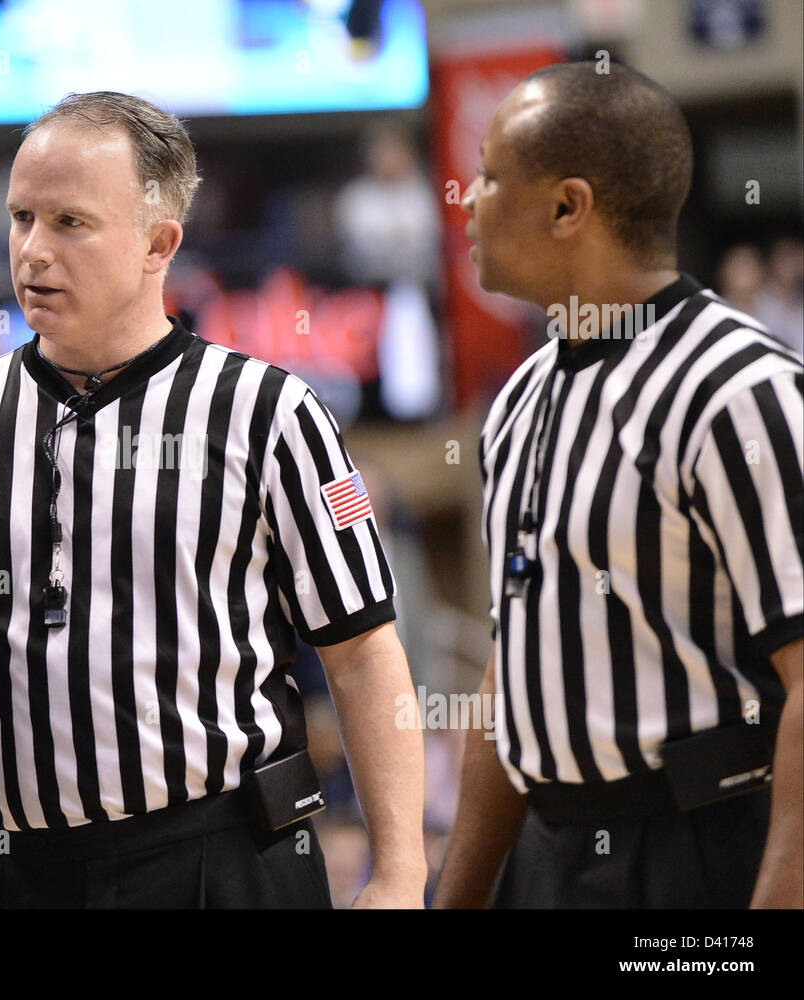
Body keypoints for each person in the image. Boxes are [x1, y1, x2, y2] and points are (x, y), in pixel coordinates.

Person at [0, 91, 426, 908]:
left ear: (159, 243)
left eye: (70, 223)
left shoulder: (269, 411)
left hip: (225, 860)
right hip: (25, 873)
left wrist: (399, 871)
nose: (33, 251)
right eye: (21, 218)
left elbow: (361, 649)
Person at [436, 62, 803, 908]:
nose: (468, 200)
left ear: (570, 206)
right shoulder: (519, 402)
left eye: (490, 176)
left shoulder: (740, 390)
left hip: (702, 850)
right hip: (548, 856)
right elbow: (513, 676)